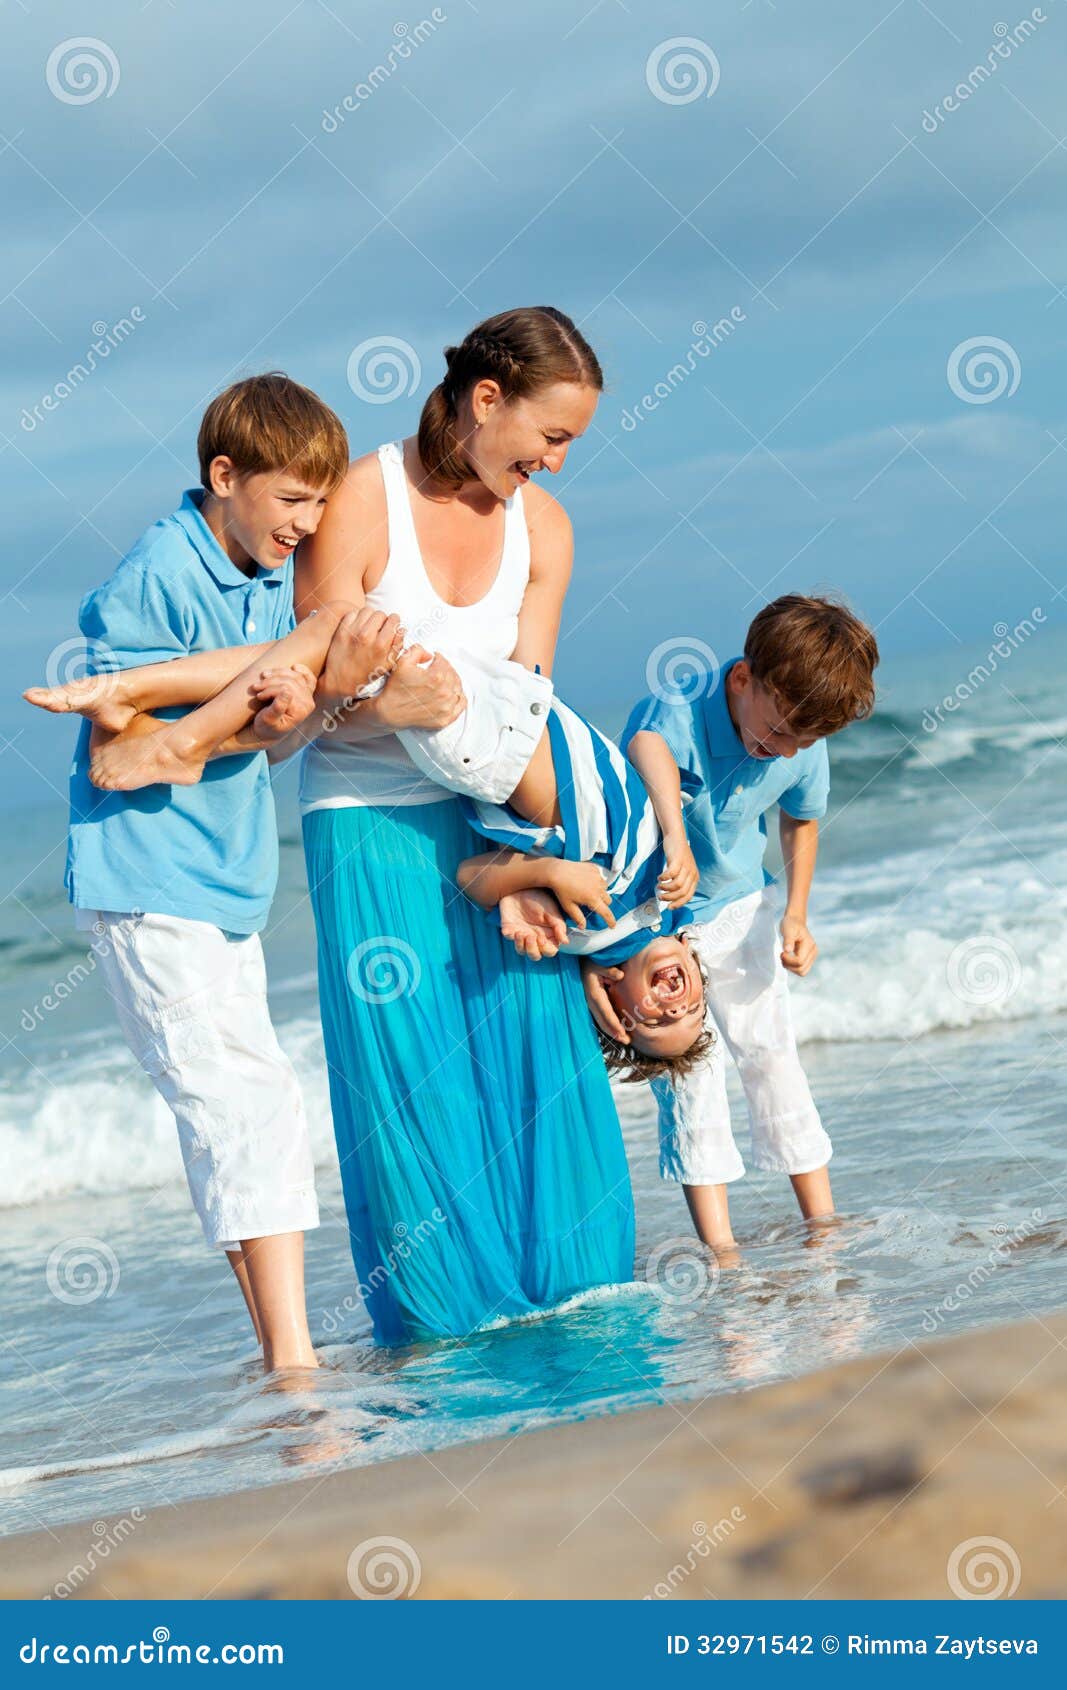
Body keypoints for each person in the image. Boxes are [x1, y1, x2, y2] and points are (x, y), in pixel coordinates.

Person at [29, 373, 366, 1373]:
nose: (306, 525)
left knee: (240, 1113)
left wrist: (281, 719)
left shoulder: (272, 576)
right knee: (246, 1106)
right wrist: (222, 711)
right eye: (290, 499)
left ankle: (280, 1349)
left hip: (226, 878)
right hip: (145, 876)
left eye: (320, 503)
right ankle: (294, 1358)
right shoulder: (159, 571)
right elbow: (112, 743)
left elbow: (260, 746)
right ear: (225, 476)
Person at [34, 617, 715, 1077]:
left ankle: (164, 719)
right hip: (520, 707)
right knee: (332, 653)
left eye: (659, 1022)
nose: (675, 1004)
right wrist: (675, 834)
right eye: (691, 1009)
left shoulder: (585, 932)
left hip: (495, 748)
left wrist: (546, 874)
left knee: (342, 630)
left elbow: (474, 873)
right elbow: (649, 749)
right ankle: (161, 720)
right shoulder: (678, 898)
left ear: (619, 1013)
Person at [585, 594, 879, 1253]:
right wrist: (674, 836)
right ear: (743, 680)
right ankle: (721, 1249)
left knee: (768, 1049)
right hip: (652, 918)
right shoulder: (678, 708)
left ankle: (819, 1221)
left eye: (800, 742)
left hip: (740, 903)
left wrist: (796, 913)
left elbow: (799, 821)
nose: (781, 751)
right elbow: (646, 746)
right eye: (775, 733)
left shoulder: (801, 738)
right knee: (690, 1075)